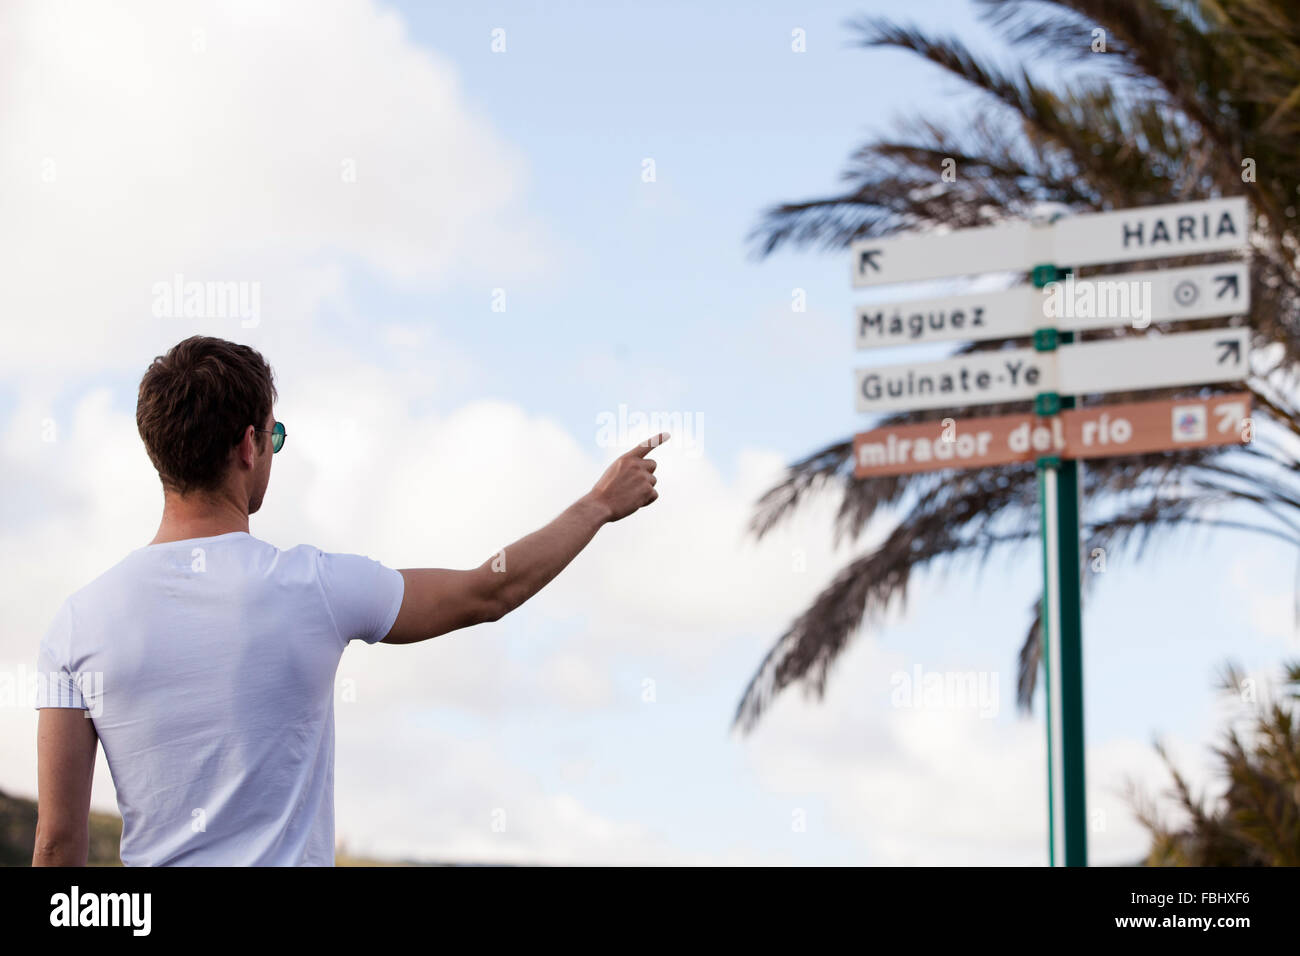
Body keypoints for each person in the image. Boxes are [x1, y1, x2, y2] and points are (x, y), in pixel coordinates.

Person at [31, 335, 665, 866]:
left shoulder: (78, 624)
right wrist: (600, 504)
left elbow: (58, 846)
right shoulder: (315, 587)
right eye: (273, 437)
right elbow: (490, 590)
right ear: (249, 446)